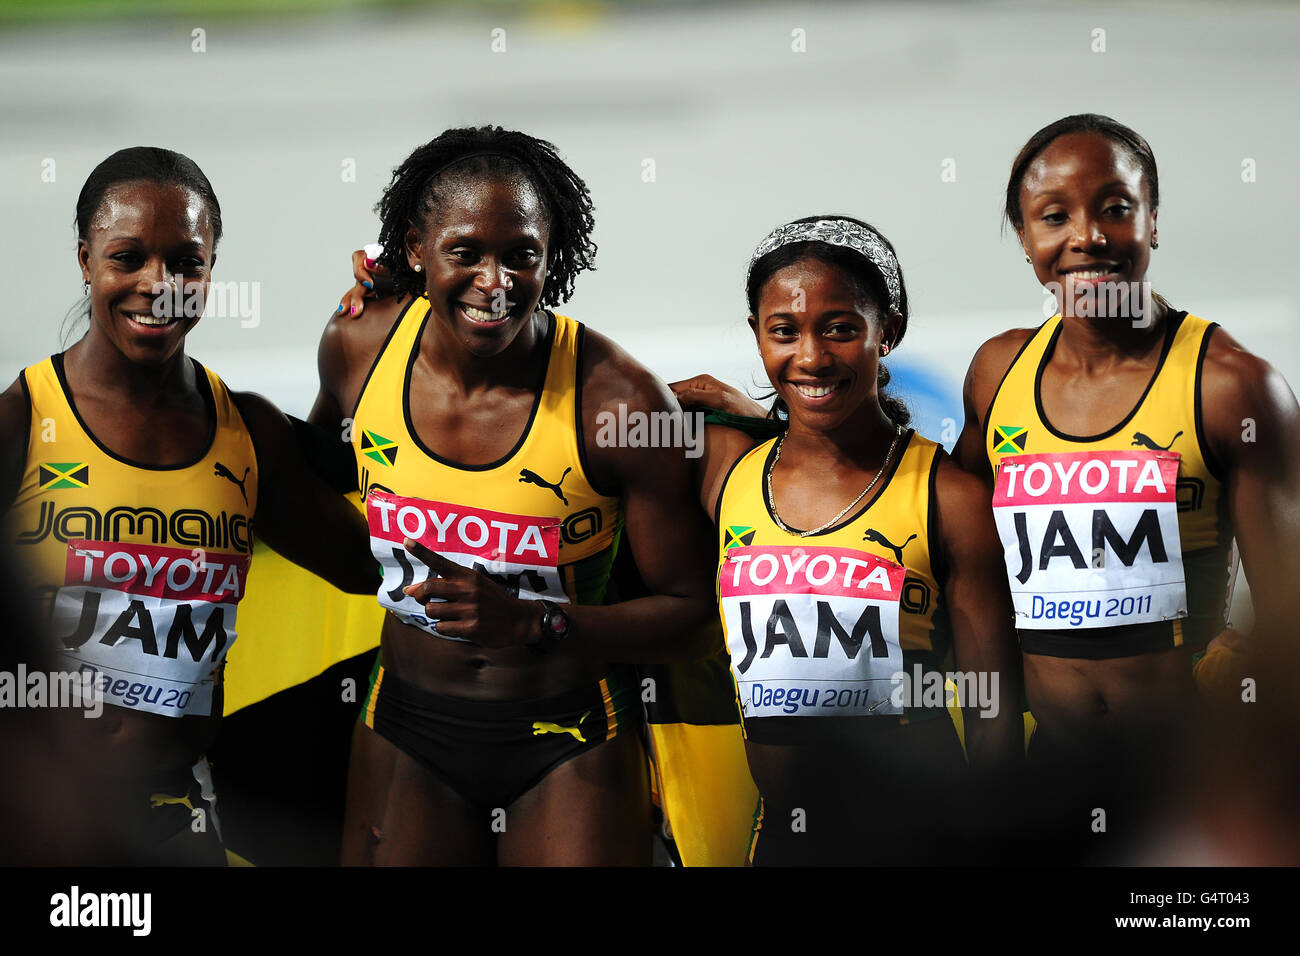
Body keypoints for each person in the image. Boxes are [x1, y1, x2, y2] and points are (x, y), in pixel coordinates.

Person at [313, 126, 718, 866]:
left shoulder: (617, 402)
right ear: (413, 249)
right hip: (406, 725)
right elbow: (311, 476)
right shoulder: (358, 345)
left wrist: (538, 626)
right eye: (465, 252)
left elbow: (690, 615)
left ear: (550, 253)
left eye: (521, 254)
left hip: (568, 738)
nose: (495, 282)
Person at [0, 146, 376, 865]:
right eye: (127, 257)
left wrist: (372, 357)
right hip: (43, 819)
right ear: (86, 260)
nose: (158, 285)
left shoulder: (248, 434)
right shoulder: (23, 424)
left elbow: (372, 567)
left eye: (186, 263)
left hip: (177, 818)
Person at [952, 114, 1300, 857]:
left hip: (1186, 776)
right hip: (1048, 766)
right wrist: (767, 426)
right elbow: (940, 522)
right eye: (1054, 216)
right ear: (1024, 238)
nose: (1088, 237)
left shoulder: (1231, 387)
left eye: (1115, 207)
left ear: (1152, 220)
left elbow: (1291, 619)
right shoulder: (997, 374)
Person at [679, 216, 1022, 865]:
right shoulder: (728, 476)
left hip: (922, 837)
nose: (810, 356)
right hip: (782, 839)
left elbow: (993, 714)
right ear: (757, 334)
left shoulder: (949, 497)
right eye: (784, 331)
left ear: (887, 330)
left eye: (840, 328)